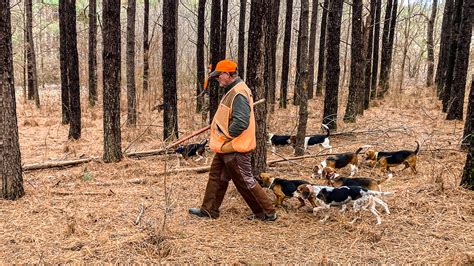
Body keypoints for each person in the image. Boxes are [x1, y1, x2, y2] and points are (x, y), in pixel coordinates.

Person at [189, 59, 277, 221]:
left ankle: (267, 213)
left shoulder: (238, 93)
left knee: (246, 181)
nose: (217, 79)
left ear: (227, 74)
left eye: (218, 76)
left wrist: (227, 136)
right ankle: (209, 210)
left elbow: (241, 122)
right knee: (217, 177)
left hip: (235, 147)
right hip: (226, 147)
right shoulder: (233, 90)